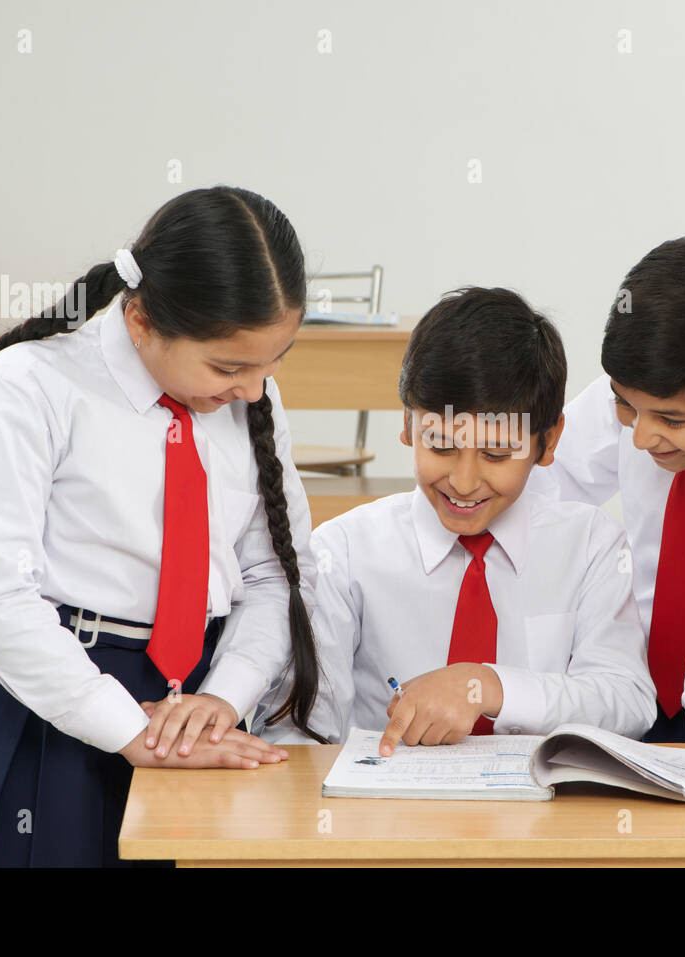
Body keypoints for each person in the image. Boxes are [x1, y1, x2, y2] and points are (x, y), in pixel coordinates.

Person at [0, 186, 326, 867]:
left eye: (275, 360)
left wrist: (226, 694)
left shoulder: (250, 400)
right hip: (57, 699)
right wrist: (126, 726)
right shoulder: (30, 386)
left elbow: (275, 571)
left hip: (200, 702)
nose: (255, 389)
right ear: (139, 319)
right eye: (229, 366)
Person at [256, 287, 656, 753]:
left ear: (548, 443)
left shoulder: (591, 546)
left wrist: (488, 685)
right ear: (408, 427)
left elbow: (628, 701)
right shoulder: (345, 552)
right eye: (441, 446)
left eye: (496, 453)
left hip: (539, 819)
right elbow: (300, 732)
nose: (464, 482)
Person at [527, 235, 685, 742]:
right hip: (639, 688)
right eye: (626, 408)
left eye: (671, 418)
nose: (640, 436)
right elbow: (537, 491)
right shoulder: (637, 395)